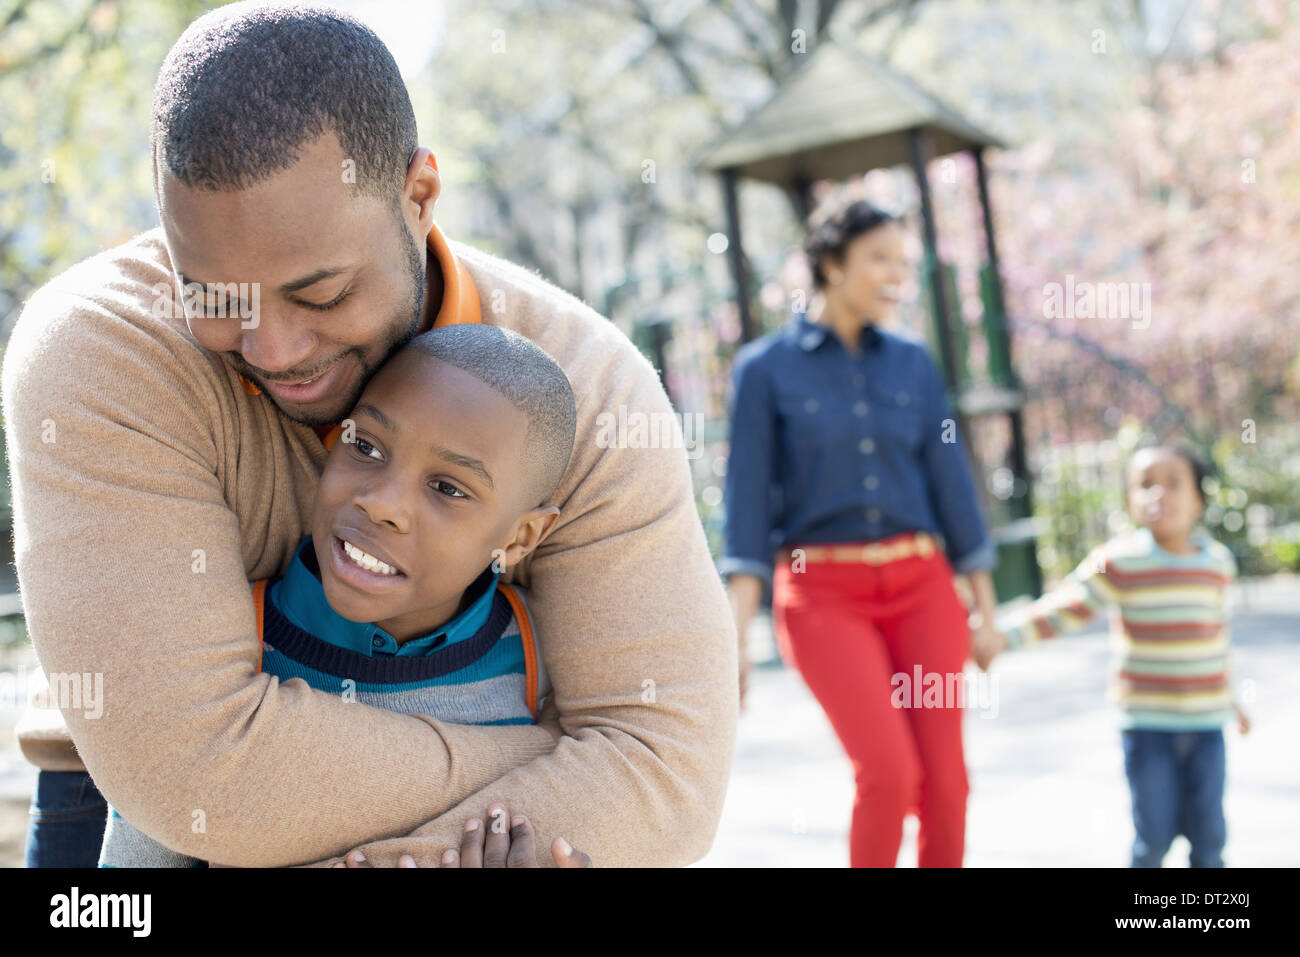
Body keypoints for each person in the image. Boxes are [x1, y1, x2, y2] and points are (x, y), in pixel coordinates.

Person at [5, 2, 735, 869]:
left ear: (419, 195)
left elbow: (667, 785)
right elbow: (198, 771)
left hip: (502, 830)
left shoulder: (588, 387)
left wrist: (616, 768)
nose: (273, 349)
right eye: (216, 299)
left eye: (320, 294)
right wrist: (553, 752)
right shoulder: (100, 348)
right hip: (135, 820)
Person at [99, 324, 590, 868]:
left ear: (520, 538)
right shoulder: (224, 651)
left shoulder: (537, 662)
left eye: (448, 488)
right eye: (367, 446)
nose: (381, 503)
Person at [721, 196, 1001, 868]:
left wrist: (986, 610)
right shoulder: (763, 370)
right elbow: (747, 511)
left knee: (947, 784)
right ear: (831, 264)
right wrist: (737, 640)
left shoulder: (914, 363)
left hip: (923, 586)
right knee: (889, 773)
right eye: (879, 258)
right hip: (824, 596)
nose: (896, 275)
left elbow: (951, 484)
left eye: (902, 261)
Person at [979, 442, 1251, 868]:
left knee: (1210, 838)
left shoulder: (1217, 564)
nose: (1158, 494)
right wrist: (1003, 637)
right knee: (1152, 839)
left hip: (1207, 726)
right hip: (1147, 727)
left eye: (1173, 484)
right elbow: (1066, 607)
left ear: (1198, 500)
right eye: (1145, 485)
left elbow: (1216, 641)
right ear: (1129, 500)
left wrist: (1234, 701)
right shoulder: (1119, 562)